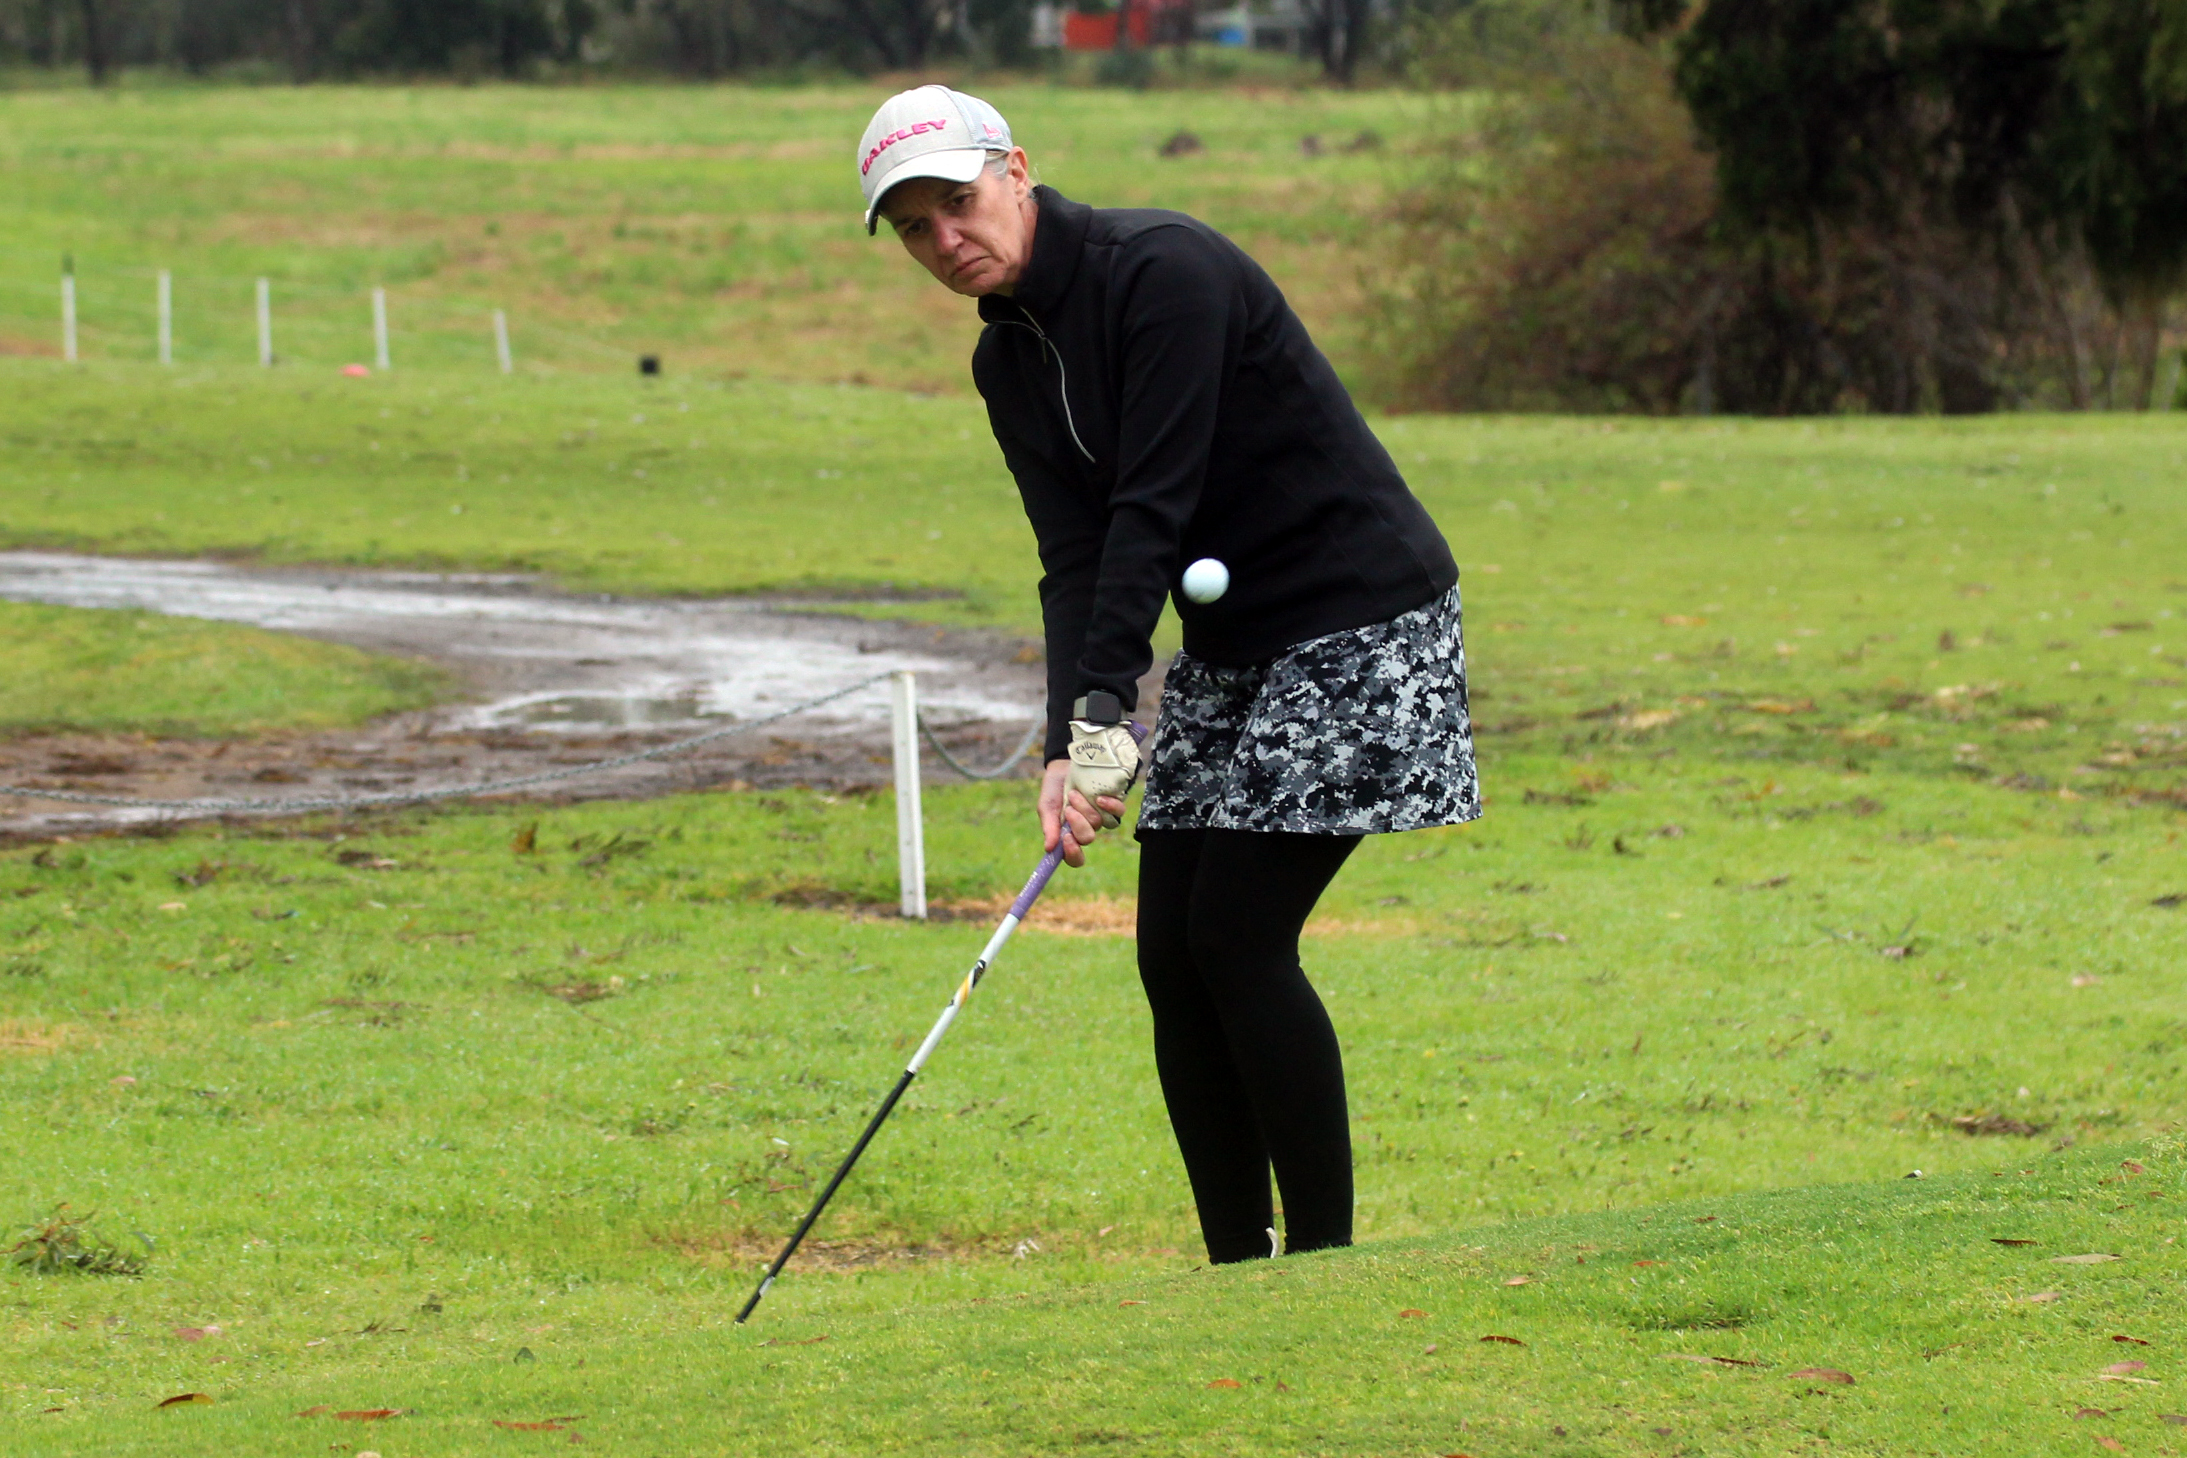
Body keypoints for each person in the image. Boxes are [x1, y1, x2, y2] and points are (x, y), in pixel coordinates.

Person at [856, 87, 1478, 1263]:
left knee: (1238, 937)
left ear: (1018, 170)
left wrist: (1107, 710)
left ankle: (1325, 1266)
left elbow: (1152, 504)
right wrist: (1063, 746)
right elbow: (1074, 559)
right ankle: (1238, 1268)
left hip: (1361, 620)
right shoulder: (1010, 364)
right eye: (915, 229)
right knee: (1170, 956)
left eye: (959, 203)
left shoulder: (1164, 273)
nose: (946, 242)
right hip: (1239, 648)